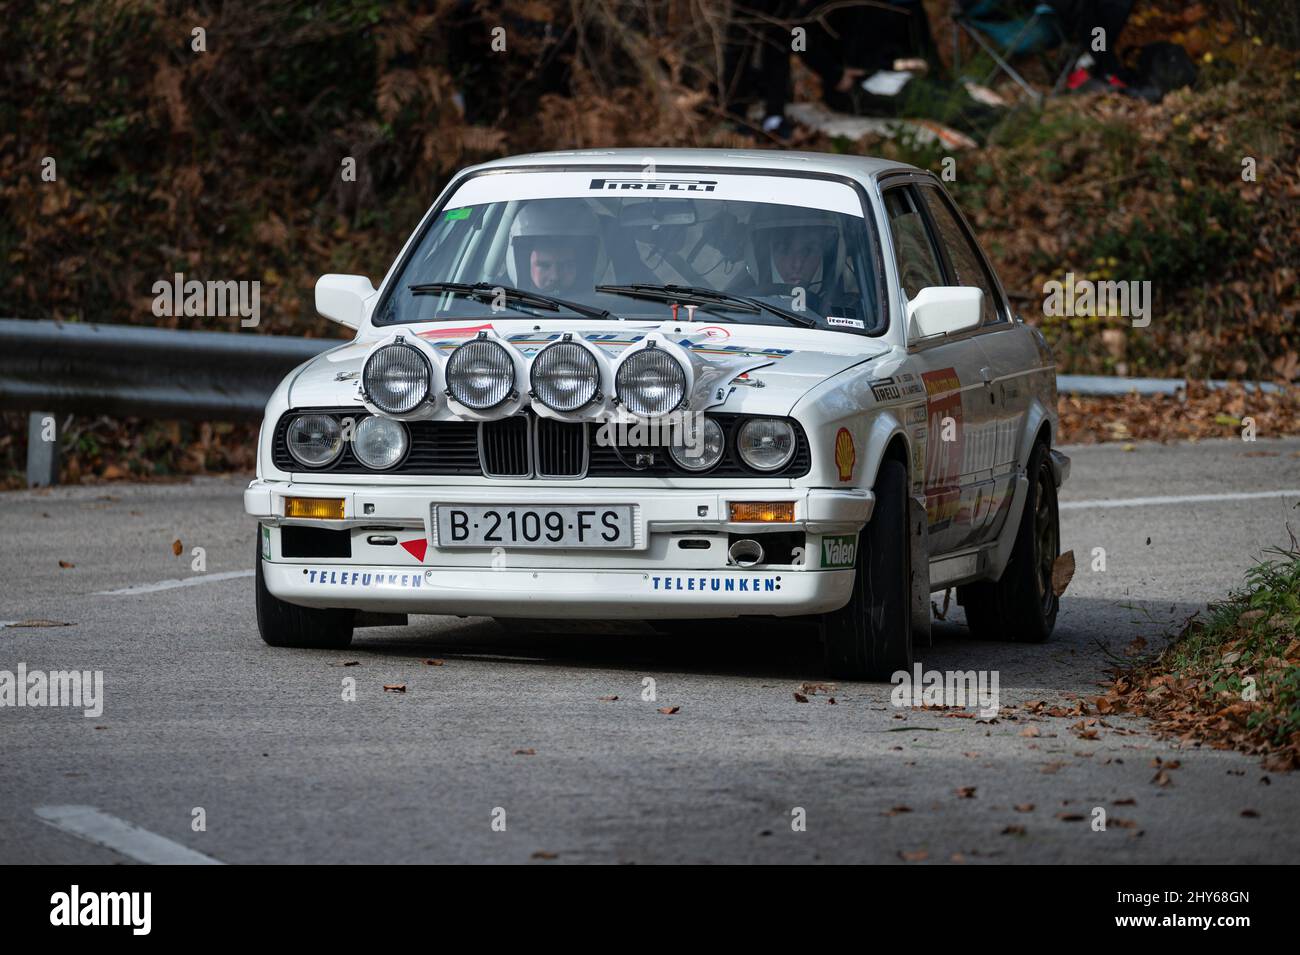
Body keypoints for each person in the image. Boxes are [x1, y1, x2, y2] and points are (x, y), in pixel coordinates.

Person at [505, 200, 603, 297]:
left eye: (566, 265)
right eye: (544, 265)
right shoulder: (496, 303)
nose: (555, 276)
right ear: (524, 264)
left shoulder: (613, 309)